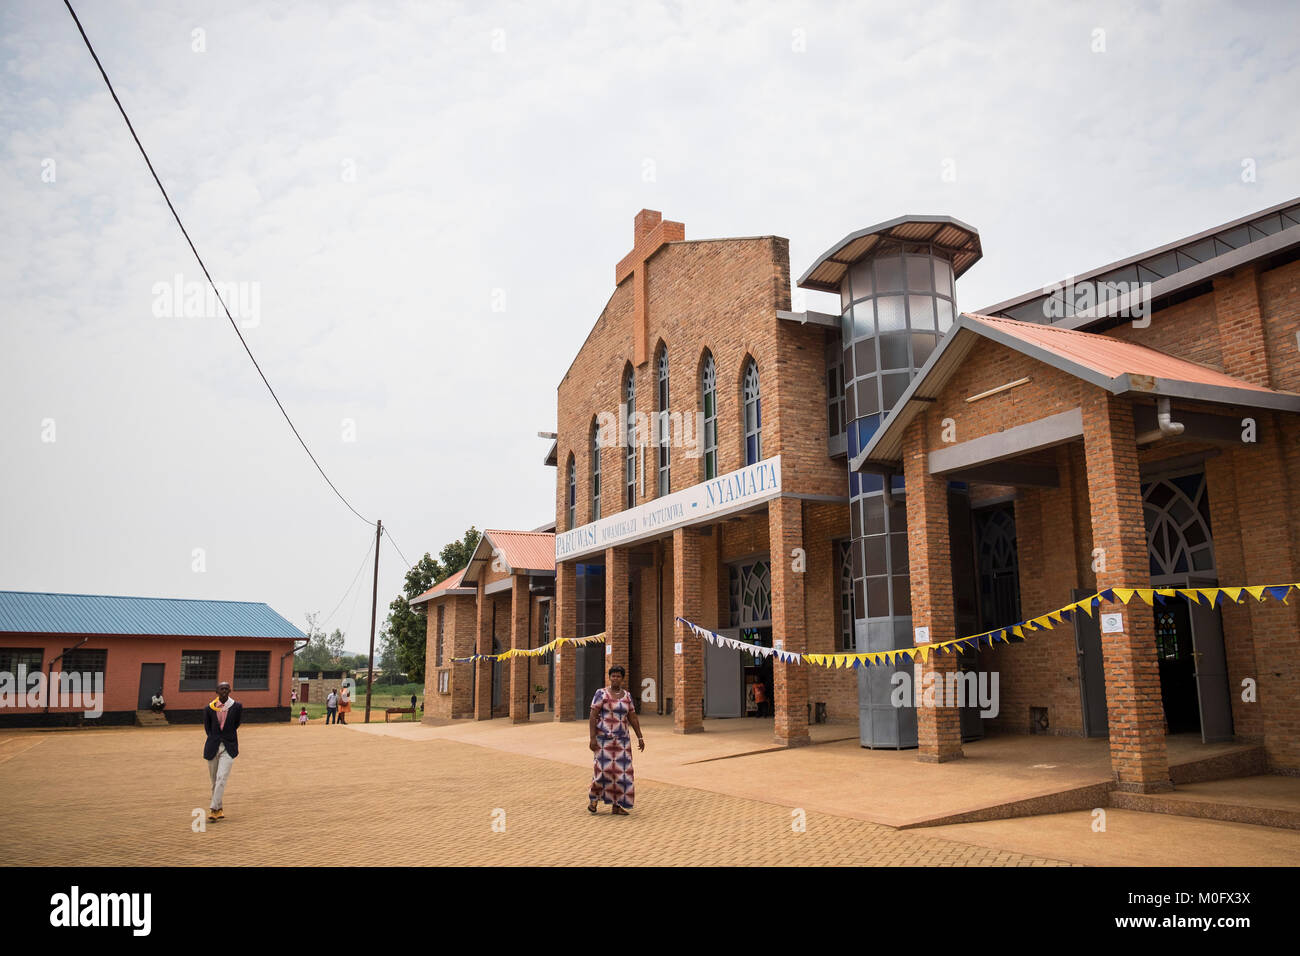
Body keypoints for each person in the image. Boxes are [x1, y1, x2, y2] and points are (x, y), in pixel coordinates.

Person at [587, 664, 643, 815]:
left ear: (622, 679)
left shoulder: (627, 696)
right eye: (613, 676)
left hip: (622, 742)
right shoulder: (601, 694)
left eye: (618, 676)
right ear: (609, 677)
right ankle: (594, 799)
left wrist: (640, 736)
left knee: (623, 773)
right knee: (603, 770)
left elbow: (632, 716)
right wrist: (592, 738)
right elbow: (593, 716)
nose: (615, 679)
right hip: (603, 740)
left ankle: (617, 805)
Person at [203, 681, 242, 822]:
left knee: (221, 778)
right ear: (217, 691)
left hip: (229, 747)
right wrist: (216, 738)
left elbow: (236, 724)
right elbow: (208, 728)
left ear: (230, 690)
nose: (224, 690)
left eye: (226, 688)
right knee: (214, 781)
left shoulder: (236, 707)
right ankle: (219, 809)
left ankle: (213, 808)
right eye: (221, 689)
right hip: (213, 747)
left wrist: (226, 737)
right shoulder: (209, 708)